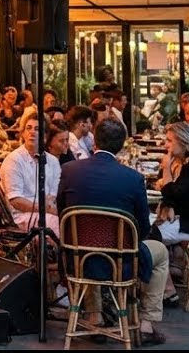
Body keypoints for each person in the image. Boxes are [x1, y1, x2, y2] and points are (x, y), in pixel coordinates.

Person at [57, 119, 169, 346]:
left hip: (79, 257)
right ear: (121, 144)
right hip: (120, 261)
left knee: (87, 245)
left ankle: (95, 316)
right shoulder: (133, 178)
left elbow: (62, 213)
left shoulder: (70, 170)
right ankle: (147, 323)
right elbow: (142, 227)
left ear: (95, 140)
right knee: (162, 253)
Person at [0, 115, 59, 235]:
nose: (32, 132)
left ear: (45, 136)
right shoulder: (14, 160)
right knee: (57, 224)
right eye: (28, 128)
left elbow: (53, 194)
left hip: (48, 211)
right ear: (23, 134)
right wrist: (44, 209)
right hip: (22, 216)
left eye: (37, 129)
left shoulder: (53, 161)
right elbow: (16, 201)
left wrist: (51, 207)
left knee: (72, 221)